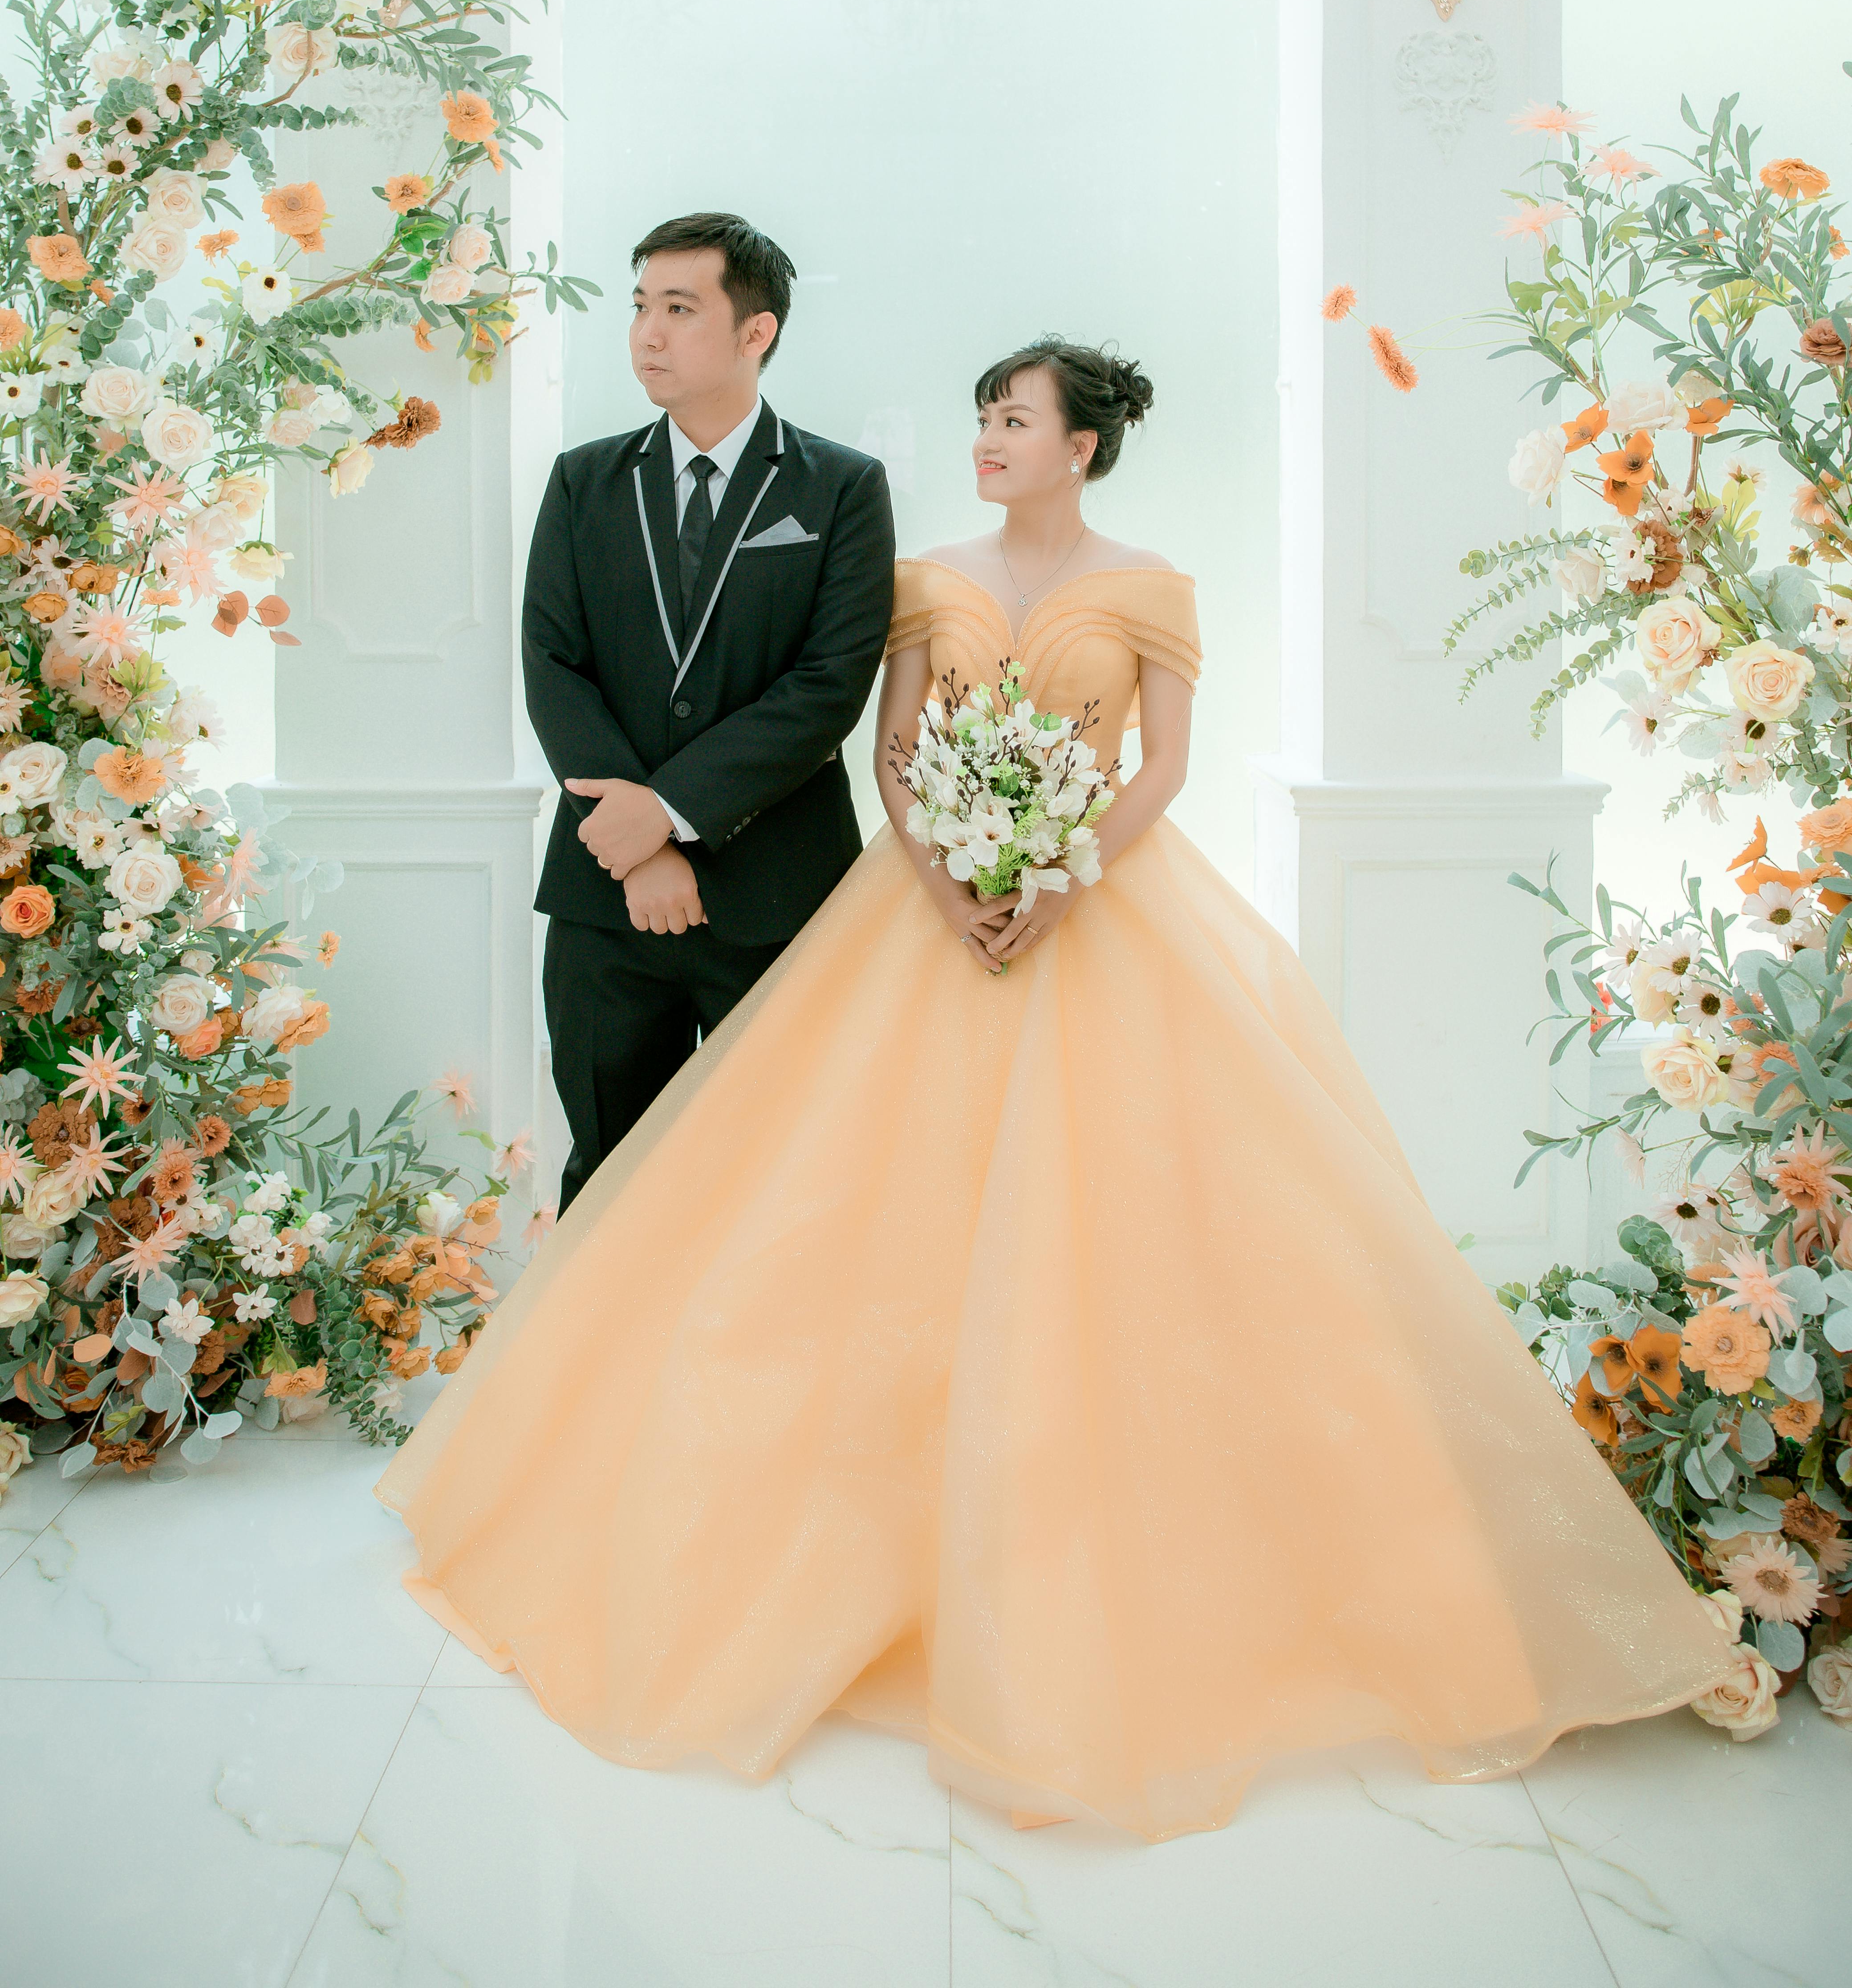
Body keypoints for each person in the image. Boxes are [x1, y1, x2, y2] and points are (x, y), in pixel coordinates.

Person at [379, 336, 1737, 1844]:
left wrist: (1065, 874)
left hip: (1098, 913)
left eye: (1013, 418)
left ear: (1081, 445)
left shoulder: (1152, 587)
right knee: (828, 1210)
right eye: (980, 415)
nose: (989, 436)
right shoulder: (928, 572)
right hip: (926, 912)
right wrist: (947, 870)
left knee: (1145, 1230)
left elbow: (1160, 767)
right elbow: (893, 749)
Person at [520, 211, 895, 1212]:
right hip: (604, 903)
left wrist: (672, 811)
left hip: (775, 894)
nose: (647, 331)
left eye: (680, 309)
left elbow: (829, 684)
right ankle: (593, 1372)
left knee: (777, 1182)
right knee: (608, 1177)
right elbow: (553, 666)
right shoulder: (583, 480)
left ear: (755, 332)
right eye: (641, 306)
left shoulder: (843, 488)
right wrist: (636, 846)